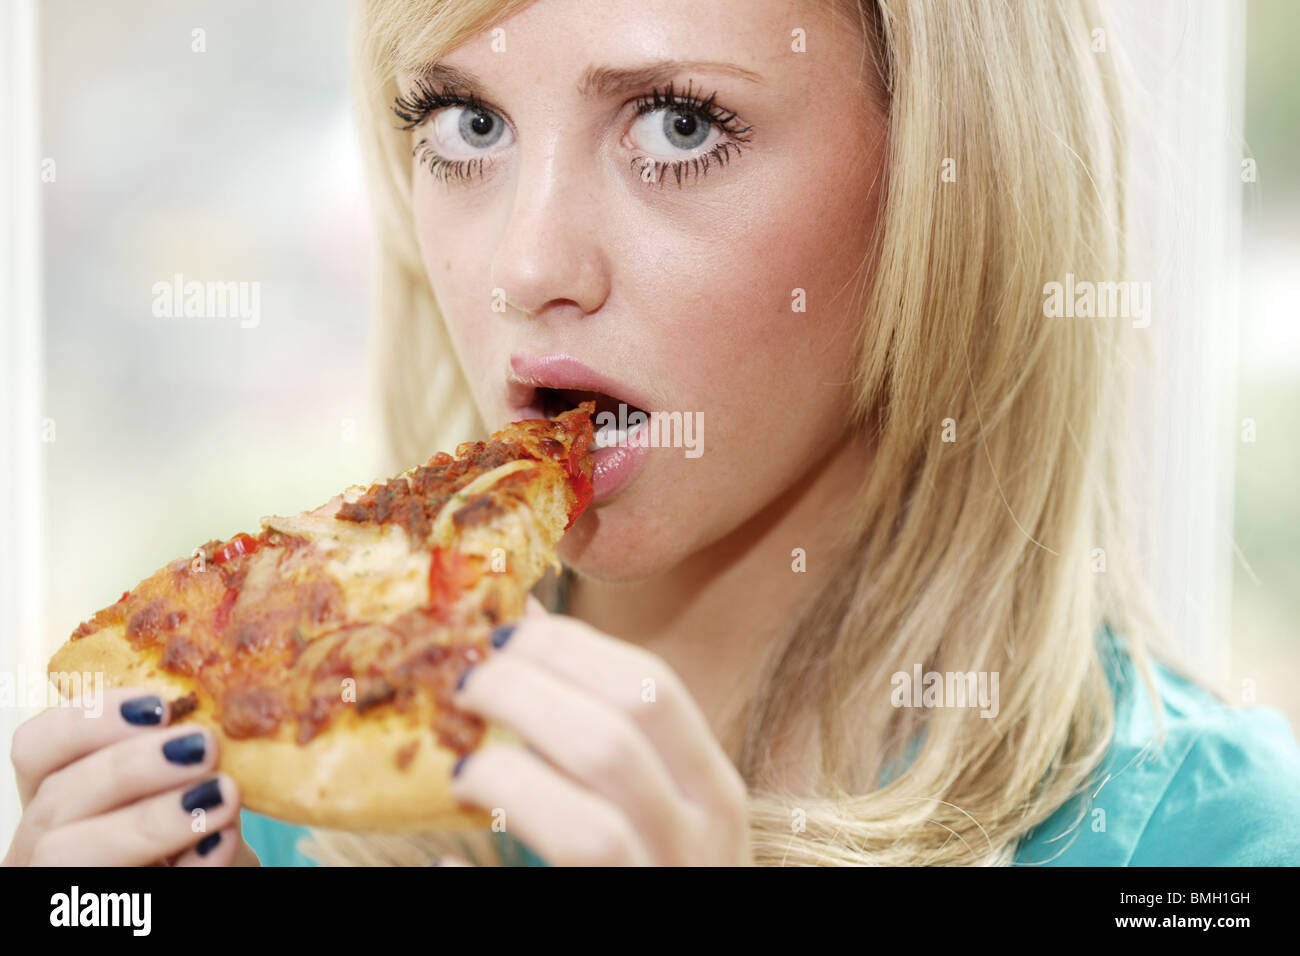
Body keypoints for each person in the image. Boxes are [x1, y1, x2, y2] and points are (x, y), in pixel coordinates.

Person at [8, 0, 1300, 868]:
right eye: (466, 123)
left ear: (946, 182)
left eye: (678, 124)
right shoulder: (277, 788)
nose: (526, 264)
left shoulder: (1203, 846)